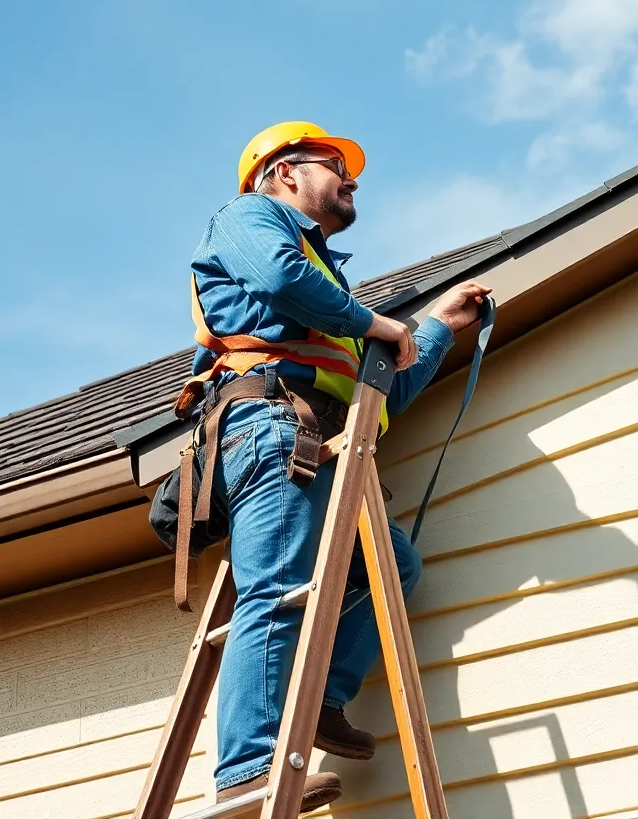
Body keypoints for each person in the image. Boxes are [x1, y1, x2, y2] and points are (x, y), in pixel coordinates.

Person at [184, 121, 491, 811]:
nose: (350, 179)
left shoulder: (329, 294)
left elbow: (381, 392)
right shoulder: (250, 218)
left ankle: (318, 700)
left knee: (391, 568)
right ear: (284, 172)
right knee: (276, 585)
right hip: (271, 425)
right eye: (334, 165)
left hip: (323, 439)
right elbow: (277, 275)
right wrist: (379, 324)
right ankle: (246, 773)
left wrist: (435, 323)